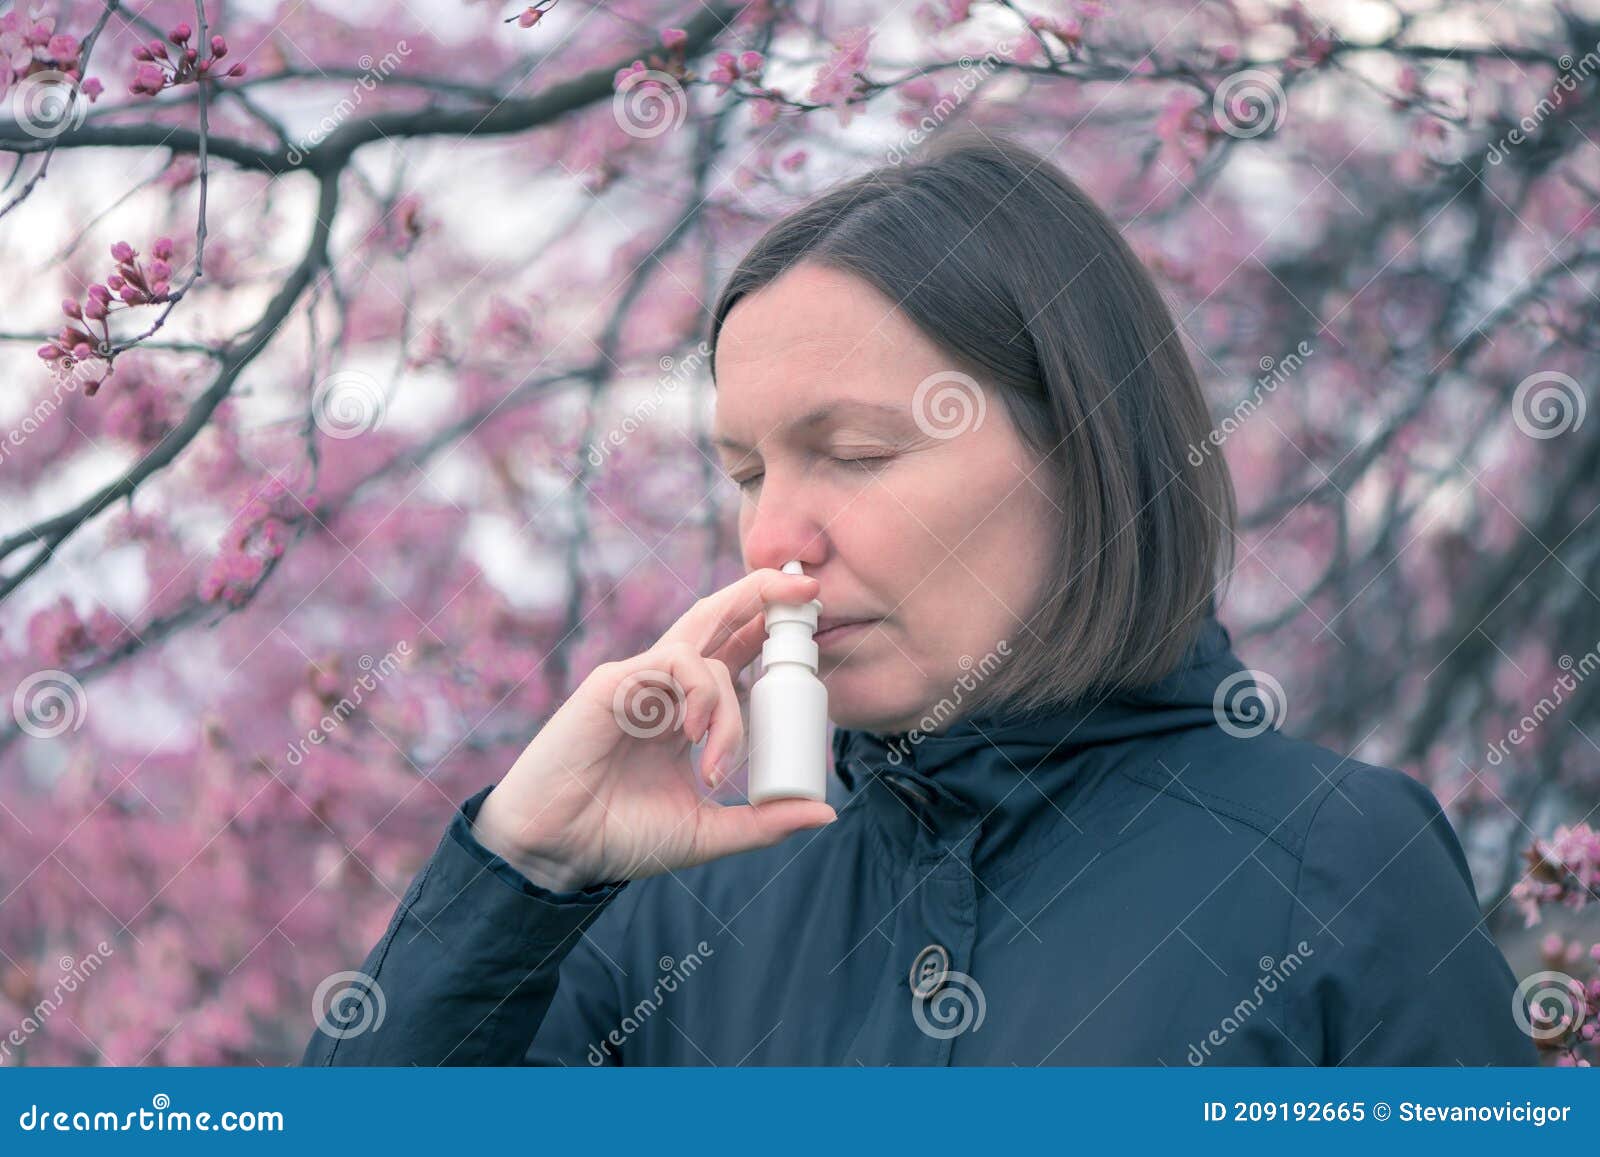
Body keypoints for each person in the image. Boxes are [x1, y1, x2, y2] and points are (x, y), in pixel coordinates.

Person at [301, 130, 1537, 1067]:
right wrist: (522, 866)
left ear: (1083, 447)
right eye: (746, 471)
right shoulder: (665, 916)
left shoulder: (1331, 859)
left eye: (858, 452)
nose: (776, 537)